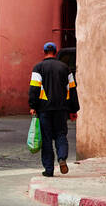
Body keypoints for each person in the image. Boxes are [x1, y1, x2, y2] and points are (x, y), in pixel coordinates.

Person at [30, 41, 79, 177]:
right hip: (61, 109)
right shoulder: (65, 68)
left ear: (44, 52)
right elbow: (72, 88)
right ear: (56, 52)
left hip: (44, 109)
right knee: (61, 135)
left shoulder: (38, 68)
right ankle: (62, 158)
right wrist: (73, 109)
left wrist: (33, 106)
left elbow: (34, 88)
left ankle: (49, 169)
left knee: (46, 138)